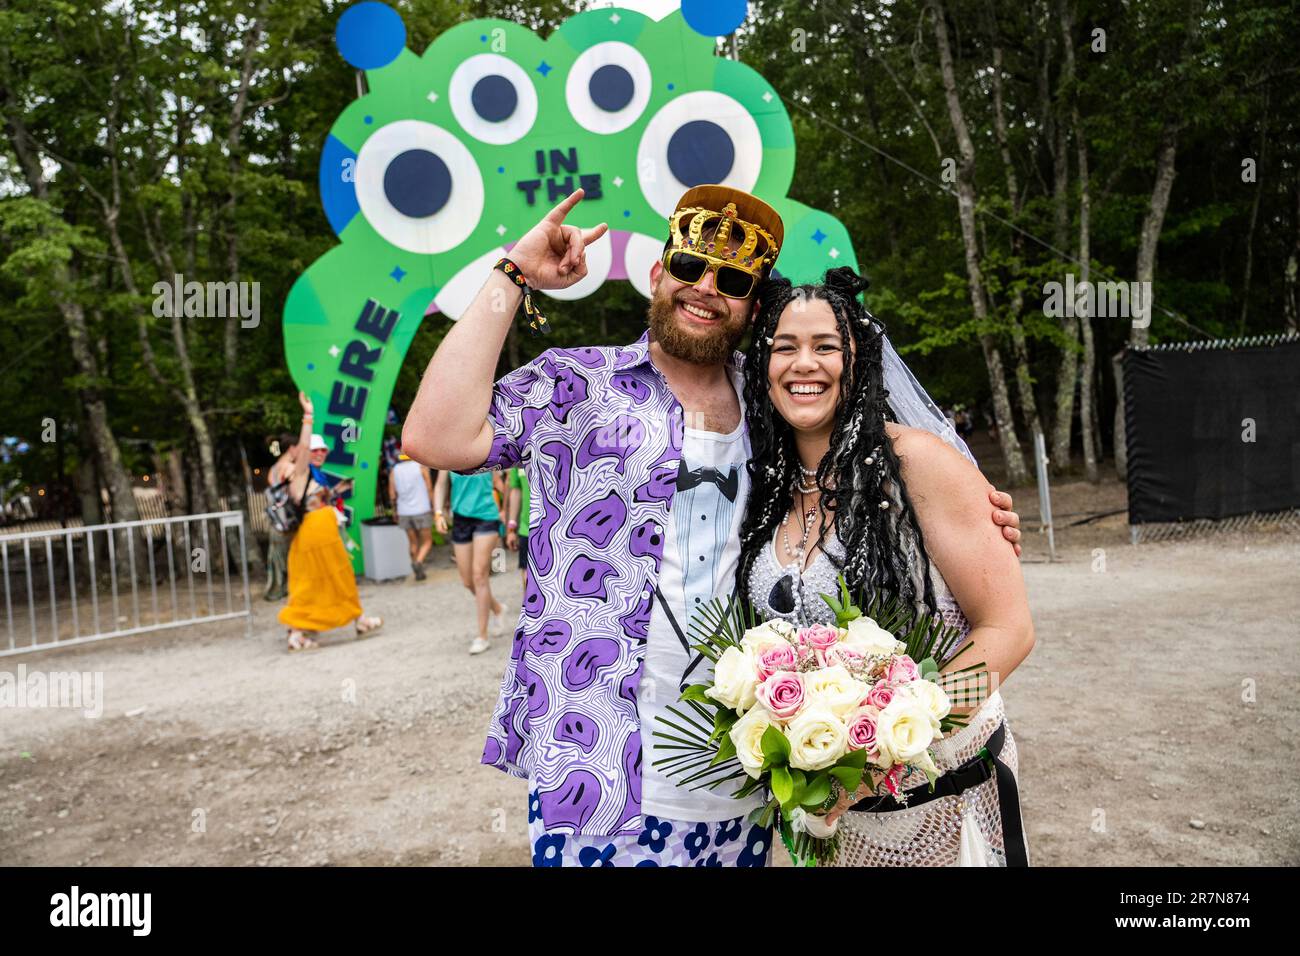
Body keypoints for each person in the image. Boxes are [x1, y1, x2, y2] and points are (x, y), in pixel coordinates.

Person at [402, 186, 1022, 867]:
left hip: (746, 782)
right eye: (689, 266)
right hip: (597, 768)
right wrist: (512, 276)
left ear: (753, 307)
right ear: (656, 274)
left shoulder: (776, 416)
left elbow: (891, 485)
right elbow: (435, 436)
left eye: (731, 280)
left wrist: (965, 503)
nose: (705, 288)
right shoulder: (575, 385)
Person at [739, 268, 1034, 866]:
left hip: (941, 801)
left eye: (826, 347)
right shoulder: (764, 486)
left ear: (860, 359)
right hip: (823, 822)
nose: (804, 364)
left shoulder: (919, 464)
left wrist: (887, 749)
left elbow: (1009, 631)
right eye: (784, 348)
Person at [278, 393, 383, 651]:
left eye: (323, 449)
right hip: (314, 536)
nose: (320, 453)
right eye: (316, 450)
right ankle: (297, 630)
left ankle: (356, 619)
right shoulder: (300, 474)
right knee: (313, 582)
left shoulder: (312, 475)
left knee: (335, 578)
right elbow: (302, 448)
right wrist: (308, 416)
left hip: (321, 534)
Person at [433, 469, 506, 654]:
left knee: (479, 576)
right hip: (461, 519)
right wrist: (438, 513)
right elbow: (441, 485)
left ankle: (482, 636)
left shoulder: (485, 449)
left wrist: (505, 511)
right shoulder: (448, 456)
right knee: (468, 582)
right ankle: (497, 608)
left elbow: (499, 483)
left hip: (486, 516)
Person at [388, 451, 435, 580]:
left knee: (413, 543)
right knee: (427, 541)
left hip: (404, 512)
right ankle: (418, 562)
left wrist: (394, 510)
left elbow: (392, 495)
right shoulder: (421, 467)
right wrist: (433, 506)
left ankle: (416, 568)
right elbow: (429, 488)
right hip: (422, 509)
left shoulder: (394, 471)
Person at [263, 431, 298, 601]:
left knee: (277, 556)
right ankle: (289, 588)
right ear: (292, 449)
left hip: (276, 521)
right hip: (288, 520)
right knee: (292, 554)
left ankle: (277, 588)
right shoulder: (290, 468)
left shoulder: (274, 468)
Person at [505, 466, 530, 591]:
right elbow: (516, 491)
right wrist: (511, 528)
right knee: (528, 580)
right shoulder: (519, 454)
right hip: (526, 528)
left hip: (554, 529)